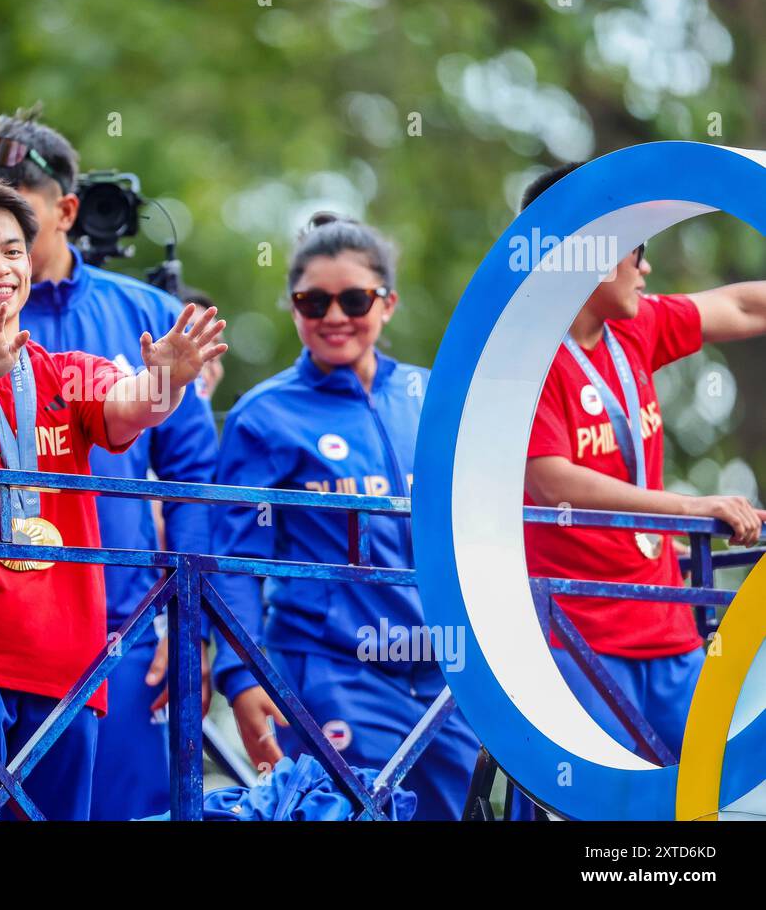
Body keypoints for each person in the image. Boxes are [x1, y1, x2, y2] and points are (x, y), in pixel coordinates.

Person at [0, 179, 225, 820]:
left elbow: (128, 407)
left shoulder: (66, 370)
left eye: (12, 251)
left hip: (69, 665)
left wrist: (168, 383)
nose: (0, 267)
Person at [211, 212, 479, 820]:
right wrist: (241, 675)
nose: (334, 317)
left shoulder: (433, 399)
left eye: (354, 299)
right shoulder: (265, 414)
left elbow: (479, 527)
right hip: (333, 671)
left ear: (388, 303)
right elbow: (231, 562)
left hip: (446, 677)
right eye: (313, 301)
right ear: (293, 308)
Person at [516, 162, 766, 803]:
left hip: (668, 630)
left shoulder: (635, 325)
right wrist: (686, 507)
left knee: (721, 798)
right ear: (591, 253)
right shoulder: (521, 356)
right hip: (576, 639)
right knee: (607, 814)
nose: (645, 269)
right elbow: (551, 483)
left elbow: (739, 304)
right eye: (638, 250)